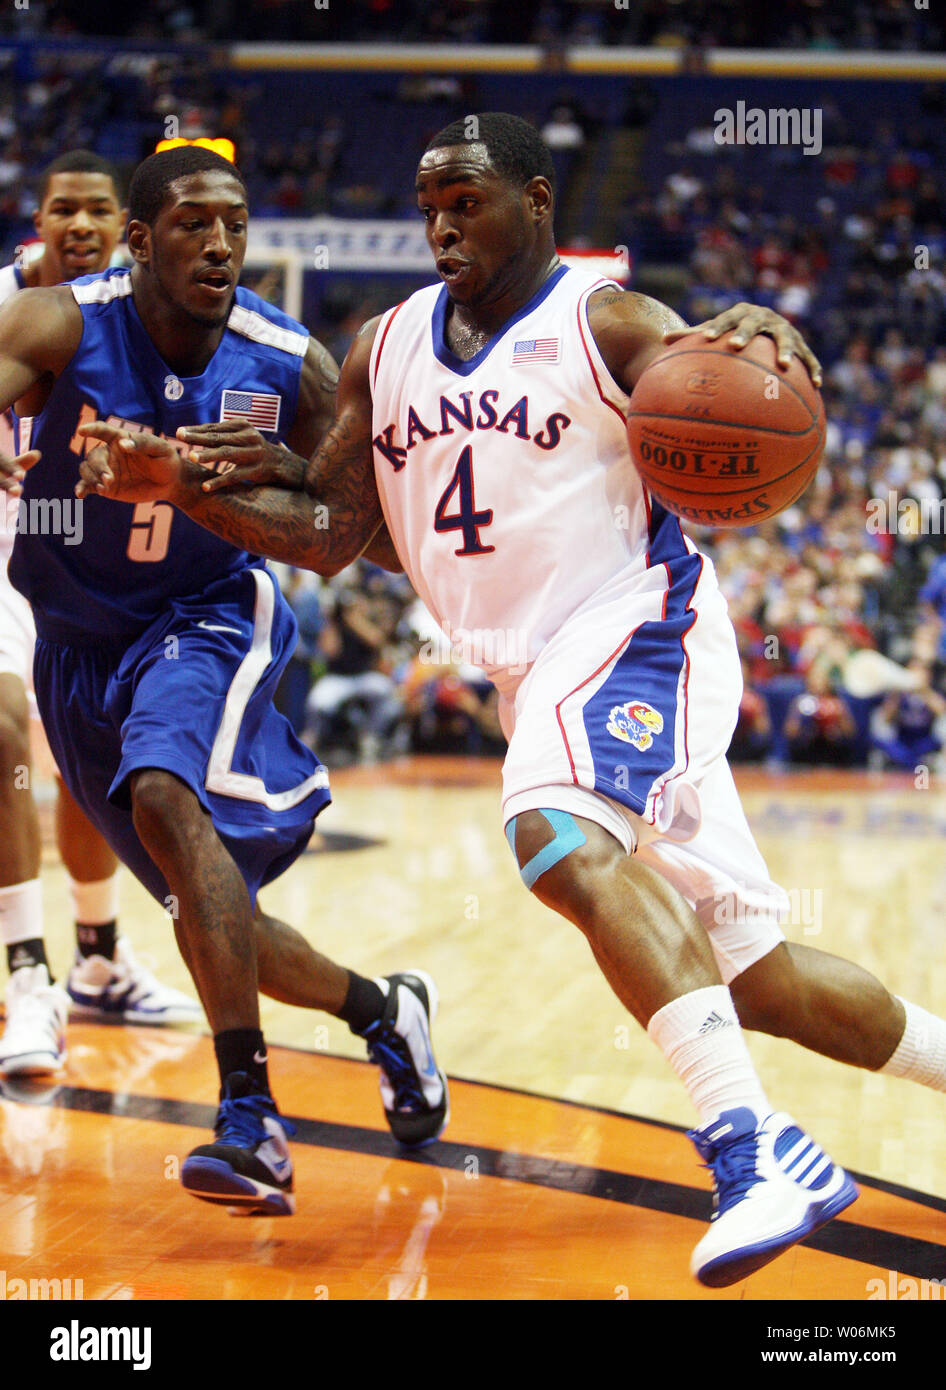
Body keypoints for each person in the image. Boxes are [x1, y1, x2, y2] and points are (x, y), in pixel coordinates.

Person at [71, 115, 946, 1286]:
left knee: (552, 833)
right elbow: (334, 534)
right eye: (429, 200)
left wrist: (772, 328)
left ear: (537, 202)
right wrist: (184, 485)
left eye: (468, 200)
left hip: (639, 625)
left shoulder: (603, 318)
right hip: (534, 669)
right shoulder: (385, 346)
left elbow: (731, 360)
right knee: (758, 976)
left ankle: (754, 1150)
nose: (441, 221)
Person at [0, 145, 448, 1214]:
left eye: (236, 226)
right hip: (73, 643)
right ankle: (385, 1007)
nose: (220, 245)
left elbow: (357, 539)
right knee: (210, 917)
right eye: (195, 225)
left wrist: (232, 486)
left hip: (204, 616)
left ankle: (249, 1116)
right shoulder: (58, 324)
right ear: (140, 240)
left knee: (166, 792)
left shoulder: (285, 361)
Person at [0, 150, 200, 1082]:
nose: (77, 224)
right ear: (37, 220)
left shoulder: (141, 313)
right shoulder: (11, 302)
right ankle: (26, 978)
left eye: (96, 209)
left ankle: (98, 956)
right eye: (61, 208)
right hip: (6, 534)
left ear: (123, 225)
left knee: (96, 760)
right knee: (4, 730)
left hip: (90, 544)